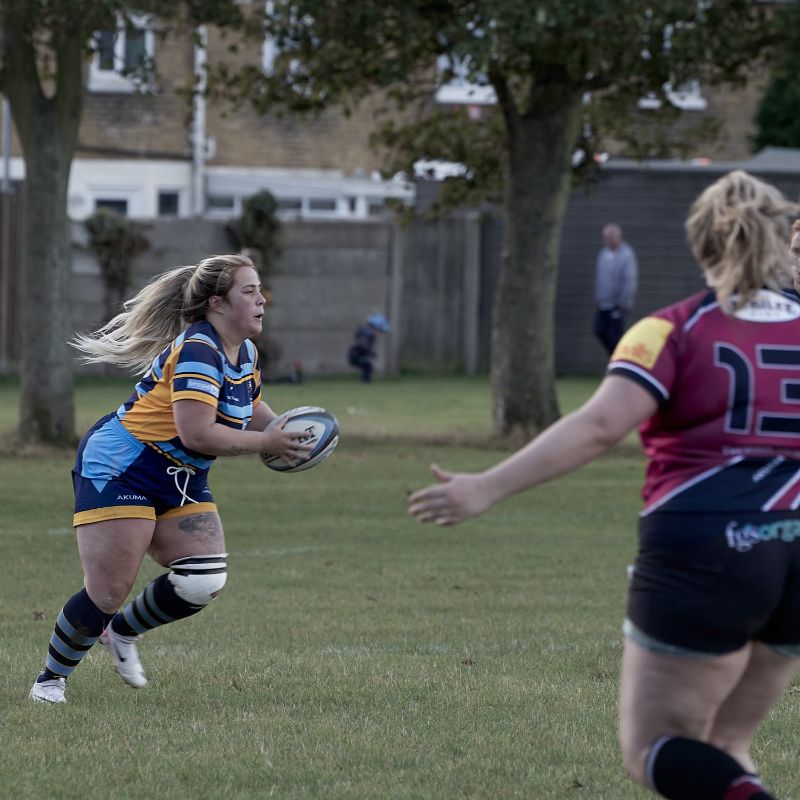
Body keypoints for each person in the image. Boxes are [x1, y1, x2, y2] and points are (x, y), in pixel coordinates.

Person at [409, 173, 800, 800]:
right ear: (780, 242)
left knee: (655, 749)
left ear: (700, 244)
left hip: (709, 546)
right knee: (725, 749)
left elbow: (598, 427)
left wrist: (486, 486)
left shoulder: (670, 330)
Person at [29, 254, 313, 704]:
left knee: (202, 580)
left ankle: (120, 633)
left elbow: (248, 406)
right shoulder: (199, 348)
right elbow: (197, 431)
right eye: (250, 291)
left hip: (180, 474)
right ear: (217, 304)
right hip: (123, 465)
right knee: (108, 591)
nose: (262, 300)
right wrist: (267, 444)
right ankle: (49, 682)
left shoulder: (246, 352)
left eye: (261, 291)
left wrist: (288, 434)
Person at [593, 223, 638, 355]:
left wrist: (622, 304)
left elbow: (629, 281)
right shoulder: (603, 254)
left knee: (615, 337)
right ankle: (615, 359)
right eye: (606, 237)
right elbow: (599, 278)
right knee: (599, 330)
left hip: (617, 306)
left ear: (619, 236)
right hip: (603, 305)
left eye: (611, 236)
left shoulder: (626, 255)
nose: (608, 239)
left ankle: (619, 362)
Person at [347, 313, 390, 383]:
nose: (379, 333)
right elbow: (363, 345)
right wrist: (371, 353)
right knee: (368, 367)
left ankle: (366, 381)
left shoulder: (366, 333)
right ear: (375, 328)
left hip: (355, 354)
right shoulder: (367, 334)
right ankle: (366, 382)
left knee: (367, 367)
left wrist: (370, 352)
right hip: (355, 354)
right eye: (379, 330)